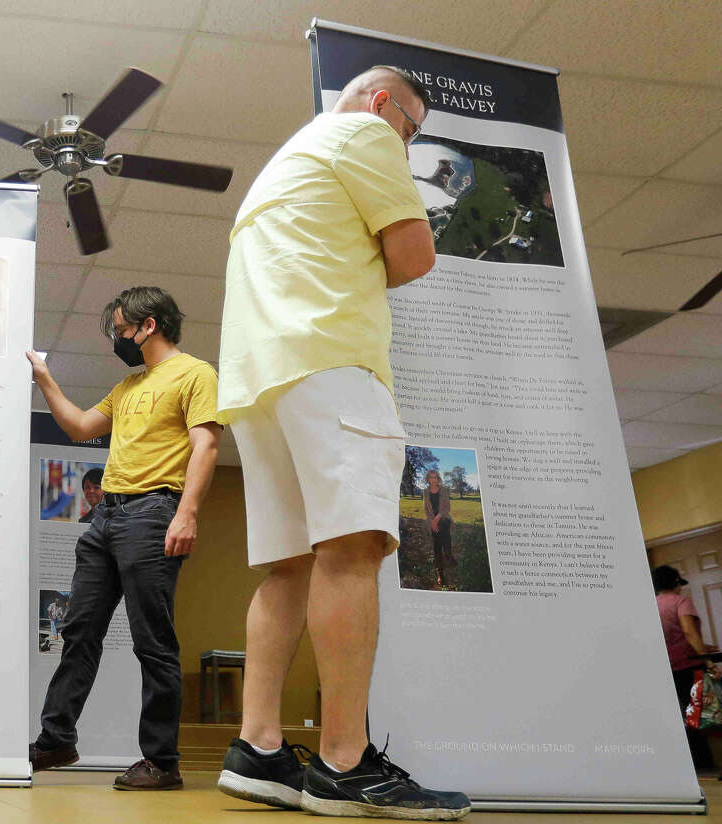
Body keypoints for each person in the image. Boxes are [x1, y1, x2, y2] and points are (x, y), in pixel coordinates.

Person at [215, 66, 470, 819]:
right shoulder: (364, 130)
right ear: (384, 103)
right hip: (329, 363)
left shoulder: (286, 161)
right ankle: (344, 764)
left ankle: (256, 748)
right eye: (412, 131)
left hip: (260, 379)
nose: (408, 143)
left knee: (289, 565)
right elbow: (413, 255)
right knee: (353, 548)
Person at [26, 286, 221, 791]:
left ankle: (162, 762)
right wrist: (44, 379)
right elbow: (78, 426)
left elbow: (206, 444)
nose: (117, 337)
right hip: (105, 518)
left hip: (155, 512)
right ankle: (56, 740)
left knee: (152, 642)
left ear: (148, 325)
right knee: (79, 630)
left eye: (121, 329)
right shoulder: (129, 385)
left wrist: (187, 514)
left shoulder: (197, 374)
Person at [653, 564, 717, 770]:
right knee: (697, 717)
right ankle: (704, 765)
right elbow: (689, 632)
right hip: (688, 667)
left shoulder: (651, 605)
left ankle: (687, 768)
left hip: (665, 671)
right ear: (675, 583)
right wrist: (707, 659)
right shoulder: (680, 601)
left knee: (679, 718)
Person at [423, 470, 454, 588]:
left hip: (444, 519)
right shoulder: (425, 492)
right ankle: (440, 574)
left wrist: (438, 518)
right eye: (431, 477)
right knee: (437, 548)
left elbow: (447, 507)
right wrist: (432, 522)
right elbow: (426, 509)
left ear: (438, 479)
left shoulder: (444, 490)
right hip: (432, 522)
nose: (433, 480)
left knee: (446, 543)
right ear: (428, 479)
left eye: (435, 477)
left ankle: (449, 555)